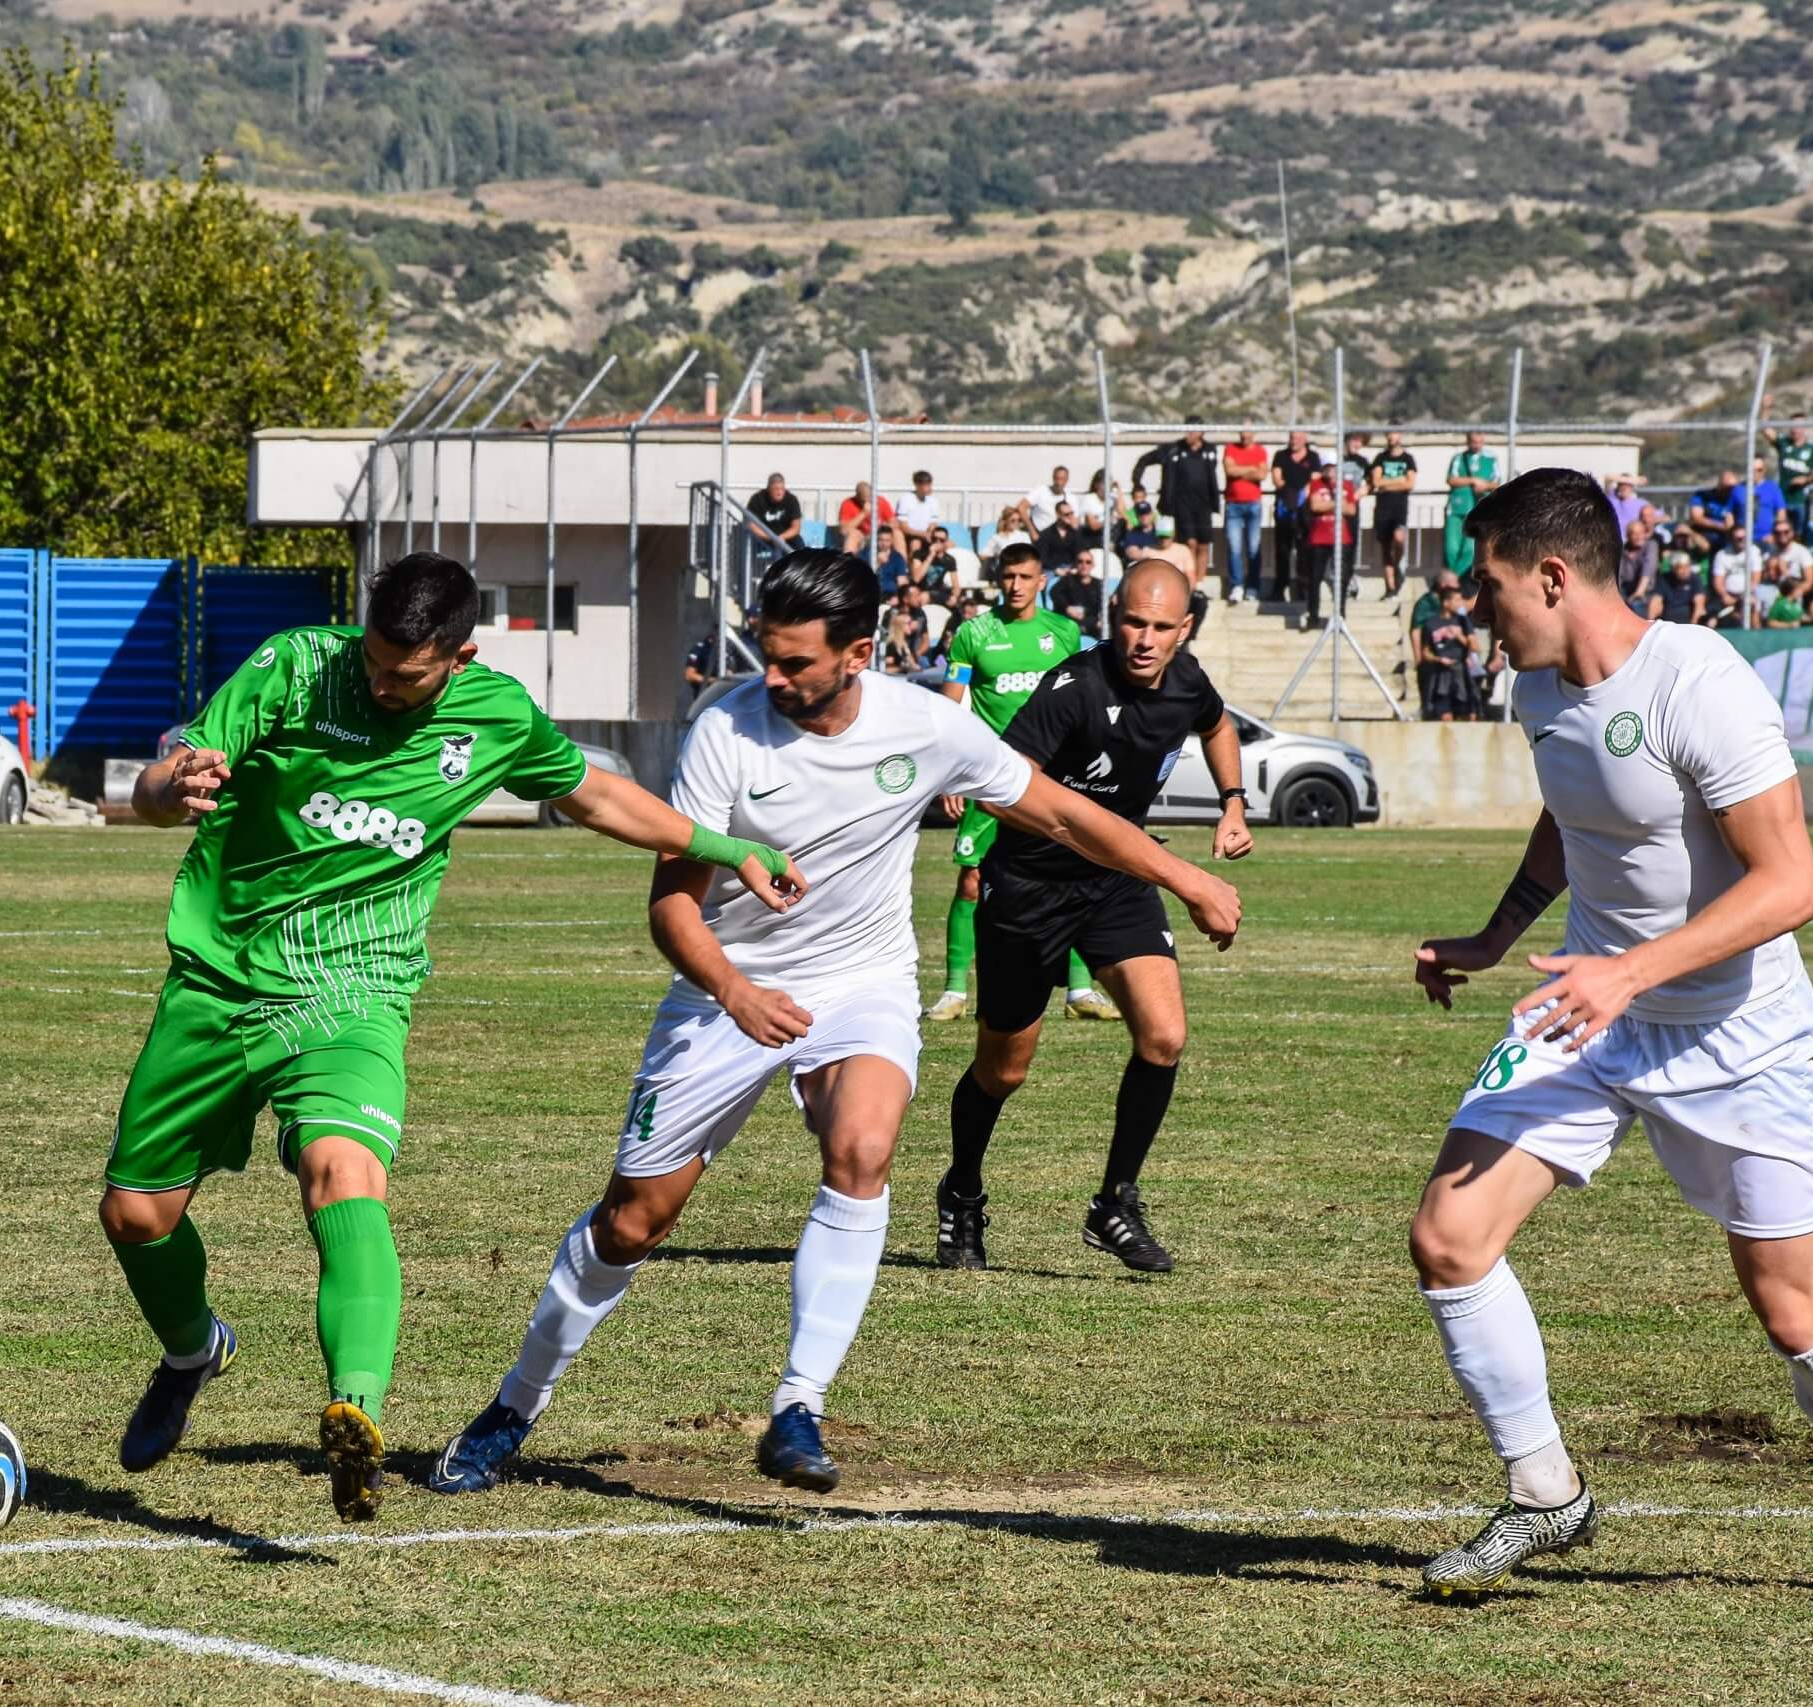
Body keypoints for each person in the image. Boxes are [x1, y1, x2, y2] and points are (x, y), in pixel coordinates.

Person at [424, 550, 1240, 1497]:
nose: (773, 677)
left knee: (863, 1145)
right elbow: (672, 907)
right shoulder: (725, 731)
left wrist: (1187, 877)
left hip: (862, 983)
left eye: (795, 662)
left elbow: (1063, 814)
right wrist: (736, 991)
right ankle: (515, 1405)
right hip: (728, 990)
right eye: (767, 655)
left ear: (858, 653)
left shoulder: (927, 724)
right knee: (634, 1221)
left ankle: (798, 1406)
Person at [96, 552, 804, 1523]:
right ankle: (192, 1352)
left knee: (341, 1175)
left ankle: (356, 1405)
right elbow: (158, 781)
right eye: (376, 665)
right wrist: (165, 789)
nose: (383, 686)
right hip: (218, 980)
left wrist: (727, 848)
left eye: (407, 675)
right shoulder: (294, 667)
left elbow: (596, 797)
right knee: (136, 1217)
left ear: (459, 656)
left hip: (357, 991)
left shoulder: (494, 716)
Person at [1407, 467, 1813, 1607]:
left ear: (1553, 577)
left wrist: (1633, 970)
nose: (1478, 607)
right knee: (1450, 1237)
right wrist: (1493, 933)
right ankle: (1544, 1491)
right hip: (1588, 1017)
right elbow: (1574, 819)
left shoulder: (1700, 683)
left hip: (1734, 1034)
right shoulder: (1538, 689)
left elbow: (1791, 882)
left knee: (1790, 1305)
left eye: (1490, 583)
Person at [936, 559, 1252, 1275]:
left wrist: (1232, 800)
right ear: (1113, 617)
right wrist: (1169, 870)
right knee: (1003, 1071)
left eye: (1161, 627)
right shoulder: (1074, 688)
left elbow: (1218, 723)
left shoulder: (1188, 681)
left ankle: (1115, 1201)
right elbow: (1005, 792)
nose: (1144, 640)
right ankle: (961, 1190)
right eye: (1133, 623)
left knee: (1165, 1035)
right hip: (1029, 890)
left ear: (1185, 630)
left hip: (1117, 884)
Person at [927, 541, 1112, 1026]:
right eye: (1008, 577)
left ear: (1040, 580)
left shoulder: (1064, 632)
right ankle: (953, 991)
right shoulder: (974, 633)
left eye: (1025, 577)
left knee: (1072, 880)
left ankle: (1079, 990)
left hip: (1054, 779)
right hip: (990, 780)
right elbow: (951, 709)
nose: (1015, 586)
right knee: (971, 883)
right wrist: (950, 775)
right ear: (998, 577)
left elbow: (1084, 699)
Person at [1133, 429, 1222, 592]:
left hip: (1204, 505)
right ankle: (1188, 580)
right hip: (1182, 505)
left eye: (1192, 431)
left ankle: (1199, 584)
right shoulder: (1173, 449)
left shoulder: (1210, 450)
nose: (1188, 434)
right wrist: (1137, 483)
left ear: (1200, 433)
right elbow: (1144, 459)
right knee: (1190, 543)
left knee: (1203, 545)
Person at [1300, 454, 1360, 632]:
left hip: (1341, 537)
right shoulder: (1316, 485)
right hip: (1319, 537)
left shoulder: (1346, 485)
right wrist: (1337, 503)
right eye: (1327, 467)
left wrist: (1333, 504)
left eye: (1334, 467)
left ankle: (1340, 615)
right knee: (1315, 578)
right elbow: (1315, 506)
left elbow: (1351, 509)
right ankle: (1313, 615)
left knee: (1341, 578)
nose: (1331, 471)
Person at [1271, 431, 1325, 600]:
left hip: (1305, 512)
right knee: (1282, 550)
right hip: (1284, 509)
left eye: (1297, 438)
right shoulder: (1281, 456)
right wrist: (1290, 493)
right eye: (1291, 438)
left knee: (1304, 551)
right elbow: (1277, 478)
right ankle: (1279, 588)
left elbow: (1315, 479)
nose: (1294, 441)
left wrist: (1302, 494)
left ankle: (1303, 589)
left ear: (1304, 440)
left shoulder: (1313, 457)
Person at [1221, 427, 1271, 605]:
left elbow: (1262, 474)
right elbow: (1229, 470)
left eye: (1248, 432)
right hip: (1233, 505)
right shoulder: (1230, 448)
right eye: (1242, 432)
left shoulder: (1260, 450)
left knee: (1253, 548)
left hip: (1253, 505)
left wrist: (1240, 469)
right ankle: (1236, 585)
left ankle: (1252, 588)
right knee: (1234, 548)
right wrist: (1251, 469)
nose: (1244, 436)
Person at [1444, 434, 1504, 578]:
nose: (1476, 445)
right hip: (1457, 509)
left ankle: (1457, 581)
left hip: (1478, 510)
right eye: (1473, 442)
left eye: (1479, 442)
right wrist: (1472, 480)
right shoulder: (1459, 458)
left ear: (1483, 441)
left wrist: (1485, 485)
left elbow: (1497, 483)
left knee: (1469, 549)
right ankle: (1451, 578)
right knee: (1451, 548)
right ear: (1468, 441)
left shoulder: (1490, 459)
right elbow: (1451, 479)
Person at [1419, 585, 1480, 722]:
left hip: (1461, 674)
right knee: (1445, 716)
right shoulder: (1430, 624)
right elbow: (1425, 653)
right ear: (1446, 603)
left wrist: (1459, 636)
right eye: (1457, 600)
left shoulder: (1463, 621)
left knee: (1468, 716)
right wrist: (1438, 659)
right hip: (1441, 676)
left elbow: (1475, 647)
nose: (1461, 604)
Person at [1371, 429, 1419, 600]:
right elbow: (1376, 482)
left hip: (1399, 507)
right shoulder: (1380, 458)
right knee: (1385, 548)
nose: (1392, 437)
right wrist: (1398, 481)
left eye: (1395, 433)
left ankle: (1398, 565)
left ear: (1400, 435)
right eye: (1389, 434)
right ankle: (1390, 587)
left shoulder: (1407, 459)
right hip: (1383, 507)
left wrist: (1387, 483)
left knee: (1399, 538)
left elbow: (1409, 484)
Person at [1048, 550, 1107, 634]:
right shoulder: (1067, 580)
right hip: (1068, 620)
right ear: (1076, 564)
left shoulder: (1098, 584)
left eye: (1088, 562)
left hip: (1089, 621)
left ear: (1093, 565)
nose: (1084, 565)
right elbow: (1054, 593)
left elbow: (1104, 604)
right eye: (1080, 561)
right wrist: (1067, 608)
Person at [745, 473, 803, 555]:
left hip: (785, 537)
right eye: (776, 489)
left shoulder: (791, 500)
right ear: (769, 488)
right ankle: (749, 567)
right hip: (764, 537)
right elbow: (751, 525)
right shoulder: (757, 499)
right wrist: (770, 538)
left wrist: (781, 538)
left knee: (800, 545)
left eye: (782, 489)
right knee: (749, 542)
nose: (779, 492)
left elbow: (796, 527)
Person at [896, 470, 942, 564]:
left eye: (930, 484)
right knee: (915, 544)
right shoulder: (905, 499)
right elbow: (903, 526)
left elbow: (933, 522)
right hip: (910, 536)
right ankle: (913, 572)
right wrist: (923, 534)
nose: (930, 487)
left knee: (949, 544)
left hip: (928, 535)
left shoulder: (933, 501)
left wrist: (930, 534)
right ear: (917, 485)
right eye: (926, 484)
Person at [837, 481, 895, 555]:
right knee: (853, 535)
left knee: (897, 534)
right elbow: (844, 530)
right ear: (857, 496)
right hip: (862, 537)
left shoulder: (881, 501)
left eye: (870, 499)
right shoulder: (848, 503)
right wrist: (863, 513)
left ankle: (901, 563)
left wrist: (885, 526)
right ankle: (848, 564)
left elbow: (894, 523)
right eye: (863, 501)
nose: (867, 503)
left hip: (879, 535)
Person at [1036, 499, 1088, 574]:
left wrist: (1073, 568)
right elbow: (1042, 558)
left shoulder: (1075, 533)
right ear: (1058, 514)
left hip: (1071, 569)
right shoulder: (1046, 534)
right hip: (1052, 570)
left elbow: (1081, 552)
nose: (1070, 516)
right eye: (1066, 514)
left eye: (1071, 513)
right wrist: (1055, 569)